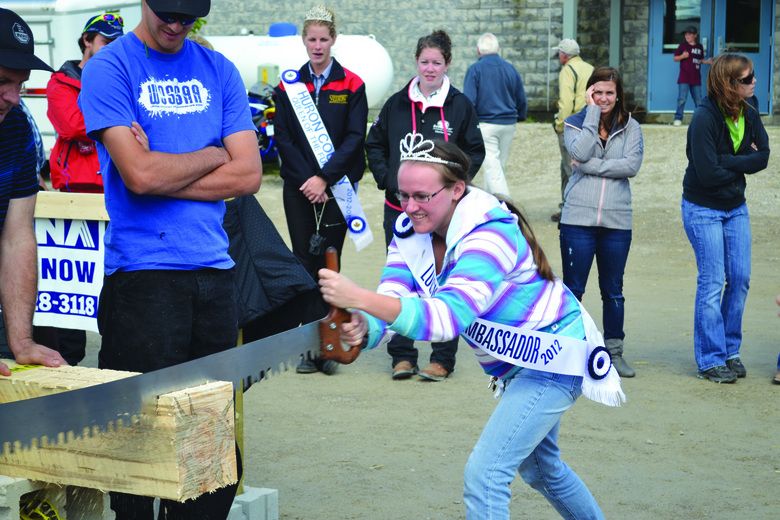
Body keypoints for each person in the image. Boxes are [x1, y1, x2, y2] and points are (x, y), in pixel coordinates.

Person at [319, 134, 623, 519]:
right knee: (541, 469)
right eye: (403, 195)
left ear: (457, 189)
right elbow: (395, 293)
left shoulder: (489, 233)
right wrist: (365, 327)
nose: (410, 207)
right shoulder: (411, 231)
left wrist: (359, 299)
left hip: (556, 356)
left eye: (422, 196)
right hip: (517, 363)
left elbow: (447, 318)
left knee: (486, 474)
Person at [79, 0, 262, 517]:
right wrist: (212, 152)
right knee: (138, 446)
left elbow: (248, 175)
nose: (178, 25)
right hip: (143, 277)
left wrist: (162, 164)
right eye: (169, 14)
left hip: (214, 275)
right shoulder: (111, 67)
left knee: (209, 454)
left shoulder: (218, 69)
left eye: (190, 17)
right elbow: (139, 177)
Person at [366, 29, 484, 381]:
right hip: (400, 209)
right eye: (424, 62)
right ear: (415, 62)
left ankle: (442, 357)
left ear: (447, 64)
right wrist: (391, 180)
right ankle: (402, 354)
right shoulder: (396, 104)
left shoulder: (460, 106)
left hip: (445, 215)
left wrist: (451, 188)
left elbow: (474, 151)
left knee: (444, 278)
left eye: (437, 62)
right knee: (402, 277)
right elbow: (375, 145)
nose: (430, 69)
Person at [273, 4, 368, 375]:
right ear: (303, 40)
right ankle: (311, 345)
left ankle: (331, 344)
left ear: (334, 40)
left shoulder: (352, 84)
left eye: (323, 39)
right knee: (303, 263)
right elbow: (283, 137)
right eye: (311, 39)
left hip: (338, 187)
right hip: (300, 189)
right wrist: (307, 181)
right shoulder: (288, 85)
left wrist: (325, 178)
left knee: (330, 263)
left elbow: (354, 137)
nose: (317, 45)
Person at [38, 12, 124, 366]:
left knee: (115, 280)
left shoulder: (118, 76)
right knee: (73, 281)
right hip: (73, 198)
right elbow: (71, 125)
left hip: (114, 194)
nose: (109, 49)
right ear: (87, 42)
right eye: (104, 41)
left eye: (116, 43)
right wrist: (114, 115)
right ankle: (69, 358)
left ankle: (115, 355)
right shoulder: (62, 81)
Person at [681, 53, 769, 384]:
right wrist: (738, 161)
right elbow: (706, 173)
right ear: (728, 84)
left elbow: (763, 156)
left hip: (736, 206)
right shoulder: (704, 117)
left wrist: (727, 161)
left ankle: (731, 351)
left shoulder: (750, 107)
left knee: (741, 278)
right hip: (703, 207)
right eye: (747, 79)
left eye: (752, 77)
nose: (754, 82)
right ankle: (711, 358)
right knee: (713, 281)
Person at [560, 67, 643, 378]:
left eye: (609, 93)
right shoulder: (575, 122)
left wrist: (589, 167)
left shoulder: (631, 126)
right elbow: (578, 150)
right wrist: (592, 114)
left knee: (613, 290)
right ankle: (571, 350)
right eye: (598, 92)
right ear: (589, 93)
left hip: (617, 222)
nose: (604, 98)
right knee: (574, 289)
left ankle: (614, 351)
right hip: (577, 219)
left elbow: (631, 166)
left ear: (617, 93)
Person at [0, 8, 66, 376]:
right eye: (1, 81)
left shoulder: (20, 127)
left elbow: (16, 236)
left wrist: (21, 341)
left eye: (20, 83)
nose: (12, 97)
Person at [463, 32, 526, 197]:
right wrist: (521, 115)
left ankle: (505, 205)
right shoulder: (510, 68)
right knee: (498, 167)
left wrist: (467, 123)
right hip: (508, 123)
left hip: (486, 123)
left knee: (492, 167)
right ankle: (491, 200)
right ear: (499, 49)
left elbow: (470, 100)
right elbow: (521, 97)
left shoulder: (475, 69)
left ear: (478, 50)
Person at [551, 38, 593, 223]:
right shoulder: (589, 68)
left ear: (564, 55)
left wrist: (560, 124)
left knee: (570, 167)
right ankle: (567, 205)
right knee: (573, 165)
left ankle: (573, 211)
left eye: (559, 53)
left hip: (572, 124)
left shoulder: (567, 71)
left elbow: (566, 102)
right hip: (589, 121)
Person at [672, 26, 711, 126]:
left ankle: (700, 119)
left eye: (689, 34)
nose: (687, 36)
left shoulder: (699, 47)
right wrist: (682, 56)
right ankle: (678, 118)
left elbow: (700, 60)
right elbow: (675, 58)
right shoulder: (683, 46)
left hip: (696, 78)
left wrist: (707, 61)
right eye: (686, 34)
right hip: (684, 78)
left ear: (695, 35)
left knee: (698, 100)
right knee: (682, 99)